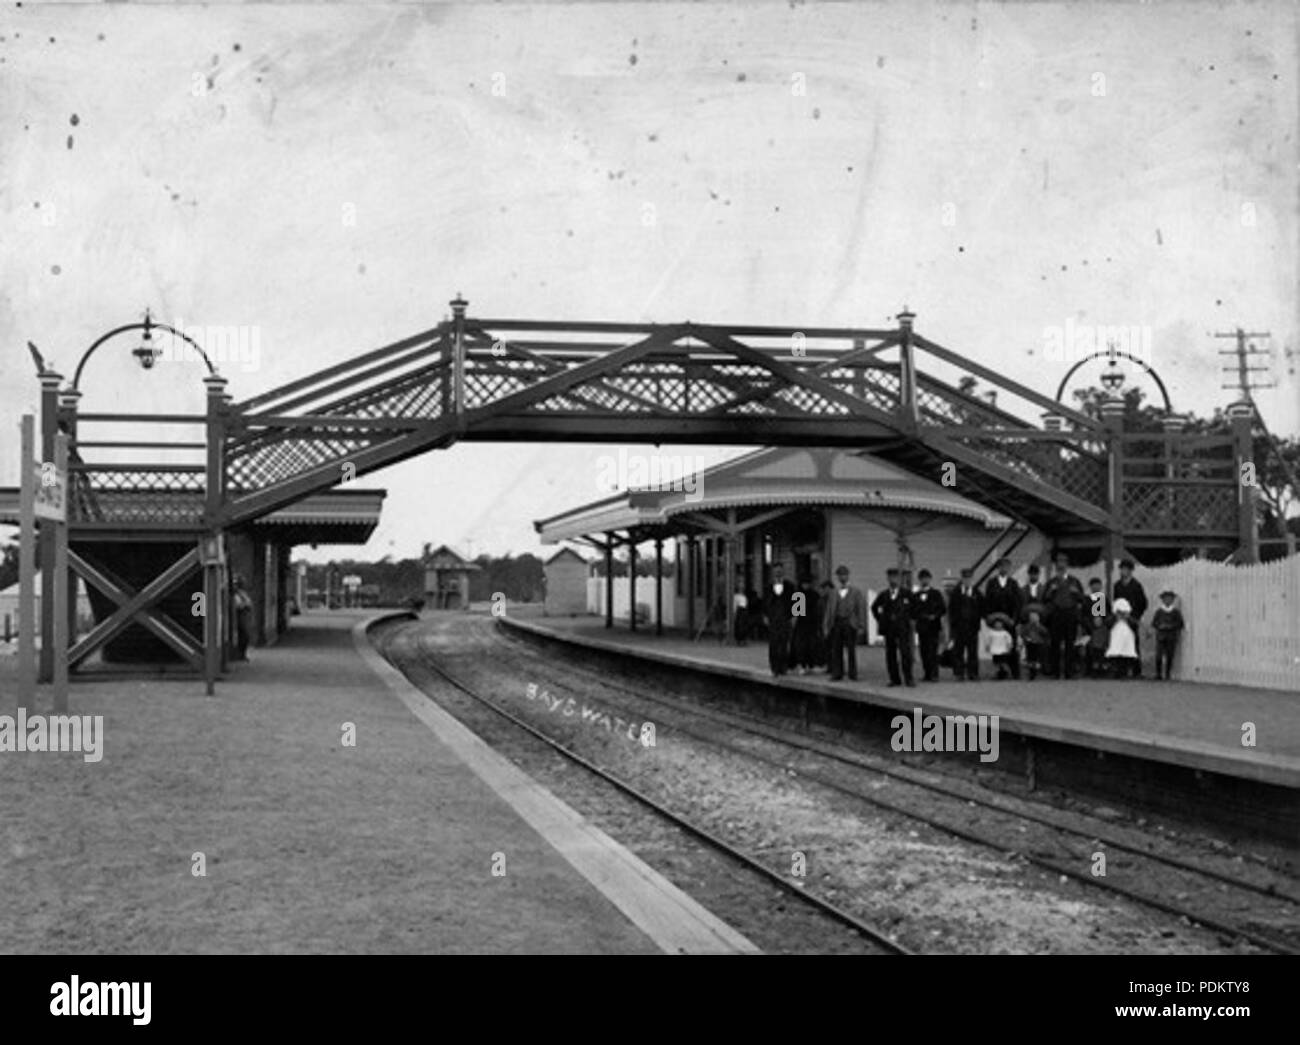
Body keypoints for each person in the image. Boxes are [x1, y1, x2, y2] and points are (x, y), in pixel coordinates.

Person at [1042, 553, 1085, 678]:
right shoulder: (1052, 582)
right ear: (1056, 566)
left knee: (1070, 644)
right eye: (1059, 563)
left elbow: (1082, 599)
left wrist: (1076, 593)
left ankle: (1069, 672)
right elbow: (1044, 599)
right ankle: (1055, 672)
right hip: (1056, 614)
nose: (1061, 565)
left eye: (1063, 563)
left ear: (1067, 565)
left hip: (1070, 614)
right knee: (1055, 643)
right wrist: (1051, 591)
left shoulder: (1074, 581)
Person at [871, 567, 915, 687]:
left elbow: (915, 607)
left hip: (902, 628)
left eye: (895, 577)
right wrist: (881, 619)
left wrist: (909, 619)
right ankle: (894, 679)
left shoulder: (906, 594)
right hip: (889, 628)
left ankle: (909, 678)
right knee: (890, 654)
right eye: (890, 577)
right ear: (888, 579)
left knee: (905, 654)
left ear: (899, 579)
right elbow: (874, 607)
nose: (893, 579)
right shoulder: (884, 595)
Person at [822, 564, 867, 681]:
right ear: (837, 577)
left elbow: (860, 608)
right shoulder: (833, 592)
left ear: (848, 576)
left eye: (844, 575)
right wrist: (826, 625)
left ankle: (853, 673)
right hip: (837, 621)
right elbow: (829, 609)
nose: (842, 577)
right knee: (836, 648)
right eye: (840, 575)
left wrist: (861, 625)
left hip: (850, 622)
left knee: (851, 649)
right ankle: (837, 673)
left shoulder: (856, 592)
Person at [982, 557, 1023, 678]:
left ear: (1009, 568)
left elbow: (1017, 603)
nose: (1004, 569)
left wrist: (1014, 619)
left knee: (1011, 645)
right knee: (997, 647)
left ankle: (1015, 672)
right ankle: (1000, 671)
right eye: (1001, 566)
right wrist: (991, 619)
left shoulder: (1013, 584)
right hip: (996, 620)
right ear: (998, 568)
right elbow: (987, 602)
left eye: (1006, 566)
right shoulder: (991, 583)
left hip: (1009, 620)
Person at [1112, 558, 1149, 678]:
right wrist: (1118, 613)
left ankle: (1136, 671)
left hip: (1132, 618)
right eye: (1122, 569)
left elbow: (1143, 603)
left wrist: (1135, 615)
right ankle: (1120, 670)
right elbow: (1115, 601)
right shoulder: (1117, 585)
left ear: (1131, 571)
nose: (1124, 571)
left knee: (1133, 643)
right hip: (1120, 618)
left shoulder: (1136, 586)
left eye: (1126, 569)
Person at [911, 568, 947, 682]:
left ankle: (934, 674)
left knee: (933, 650)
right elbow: (913, 610)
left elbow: (942, 609)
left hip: (933, 626)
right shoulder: (916, 595)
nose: (924, 580)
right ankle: (926, 673)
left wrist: (935, 616)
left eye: (926, 578)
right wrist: (917, 617)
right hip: (922, 626)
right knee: (924, 651)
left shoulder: (936, 594)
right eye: (922, 579)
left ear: (930, 579)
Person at [947, 567, 983, 681]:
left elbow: (982, 608)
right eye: (965, 578)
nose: (967, 581)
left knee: (973, 651)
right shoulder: (956, 593)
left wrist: (978, 622)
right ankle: (959, 673)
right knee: (959, 651)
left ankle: (973, 673)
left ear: (972, 579)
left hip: (972, 627)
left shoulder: (977, 592)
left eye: (969, 578)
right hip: (959, 627)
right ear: (962, 579)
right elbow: (951, 610)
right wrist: (953, 625)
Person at [763, 563, 798, 677]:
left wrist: (795, 616)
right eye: (776, 571)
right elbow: (764, 603)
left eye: (780, 570)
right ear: (773, 572)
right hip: (773, 617)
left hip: (785, 617)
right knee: (773, 643)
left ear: (783, 571)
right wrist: (765, 616)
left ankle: (783, 667)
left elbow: (797, 601)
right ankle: (774, 668)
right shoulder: (768, 587)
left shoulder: (790, 586)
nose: (778, 572)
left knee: (784, 643)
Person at [1151, 588, 1185, 680]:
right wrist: (1160, 626)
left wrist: (1170, 626)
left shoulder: (1176, 612)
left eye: (1170, 599)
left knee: (1170, 655)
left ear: (1173, 600)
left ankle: (1167, 674)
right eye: (1165, 598)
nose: (1167, 600)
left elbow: (1180, 624)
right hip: (1161, 636)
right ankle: (1158, 674)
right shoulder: (1159, 611)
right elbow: (1154, 623)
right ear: (1162, 600)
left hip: (1171, 636)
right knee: (1158, 655)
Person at [791, 576, 822, 675]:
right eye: (805, 583)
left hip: (811, 623)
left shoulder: (813, 594)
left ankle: (810, 664)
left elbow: (818, 609)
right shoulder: (799, 594)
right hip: (802, 624)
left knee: (811, 645)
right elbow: (796, 611)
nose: (806, 585)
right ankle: (802, 664)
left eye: (808, 583)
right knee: (801, 645)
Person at [1104, 597, 1139, 677]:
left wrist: (1127, 618)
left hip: (1127, 640)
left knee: (1126, 656)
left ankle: (1125, 671)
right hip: (1116, 639)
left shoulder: (1130, 619)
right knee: (1115, 655)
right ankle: (1115, 671)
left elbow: (1135, 625)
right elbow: (1107, 624)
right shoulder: (1113, 619)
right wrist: (1116, 618)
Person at [1084, 577, 1110, 678]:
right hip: (1090, 629)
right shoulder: (1087, 600)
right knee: (1090, 650)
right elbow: (1084, 615)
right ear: (1090, 587)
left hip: (1102, 629)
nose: (1096, 587)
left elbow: (1108, 613)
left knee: (1102, 649)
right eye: (1093, 585)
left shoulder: (1103, 599)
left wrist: (1102, 621)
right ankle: (1090, 669)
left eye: (1098, 585)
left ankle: (1102, 669)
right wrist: (1091, 623)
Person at [1020, 609, 1050, 680]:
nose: (1033, 619)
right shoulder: (1027, 626)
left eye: (1035, 617)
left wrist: (1038, 626)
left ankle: (1041, 670)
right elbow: (1023, 633)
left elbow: (1045, 633)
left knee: (1039, 658)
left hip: (1039, 644)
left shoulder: (1040, 626)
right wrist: (1026, 638)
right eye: (1032, 617)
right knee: (1031, 658)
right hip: (1030, 644)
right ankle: (1032, 672)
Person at [985, 614, 1015, 679]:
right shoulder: (991, 632)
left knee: (1004, 663)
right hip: (995, 650)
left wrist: (1009, 646)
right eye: (996, 624)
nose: (998, 625)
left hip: (1003, 650)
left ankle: (1008, 673)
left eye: (1000, 624)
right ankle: (996, 674)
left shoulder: (1005, 633)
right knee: (996, 663)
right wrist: (987, 646)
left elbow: (1009, 640)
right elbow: (988, 640)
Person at [232, 575, 254, 662]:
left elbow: (249, 603)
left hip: (243, 616)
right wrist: (245, 605)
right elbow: (239, 605)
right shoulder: (235, 595)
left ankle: (242, 654)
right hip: (239, 616)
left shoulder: (242, 593)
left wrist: (245, 604)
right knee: (243, 635)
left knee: (245, 636)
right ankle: (239, 654)